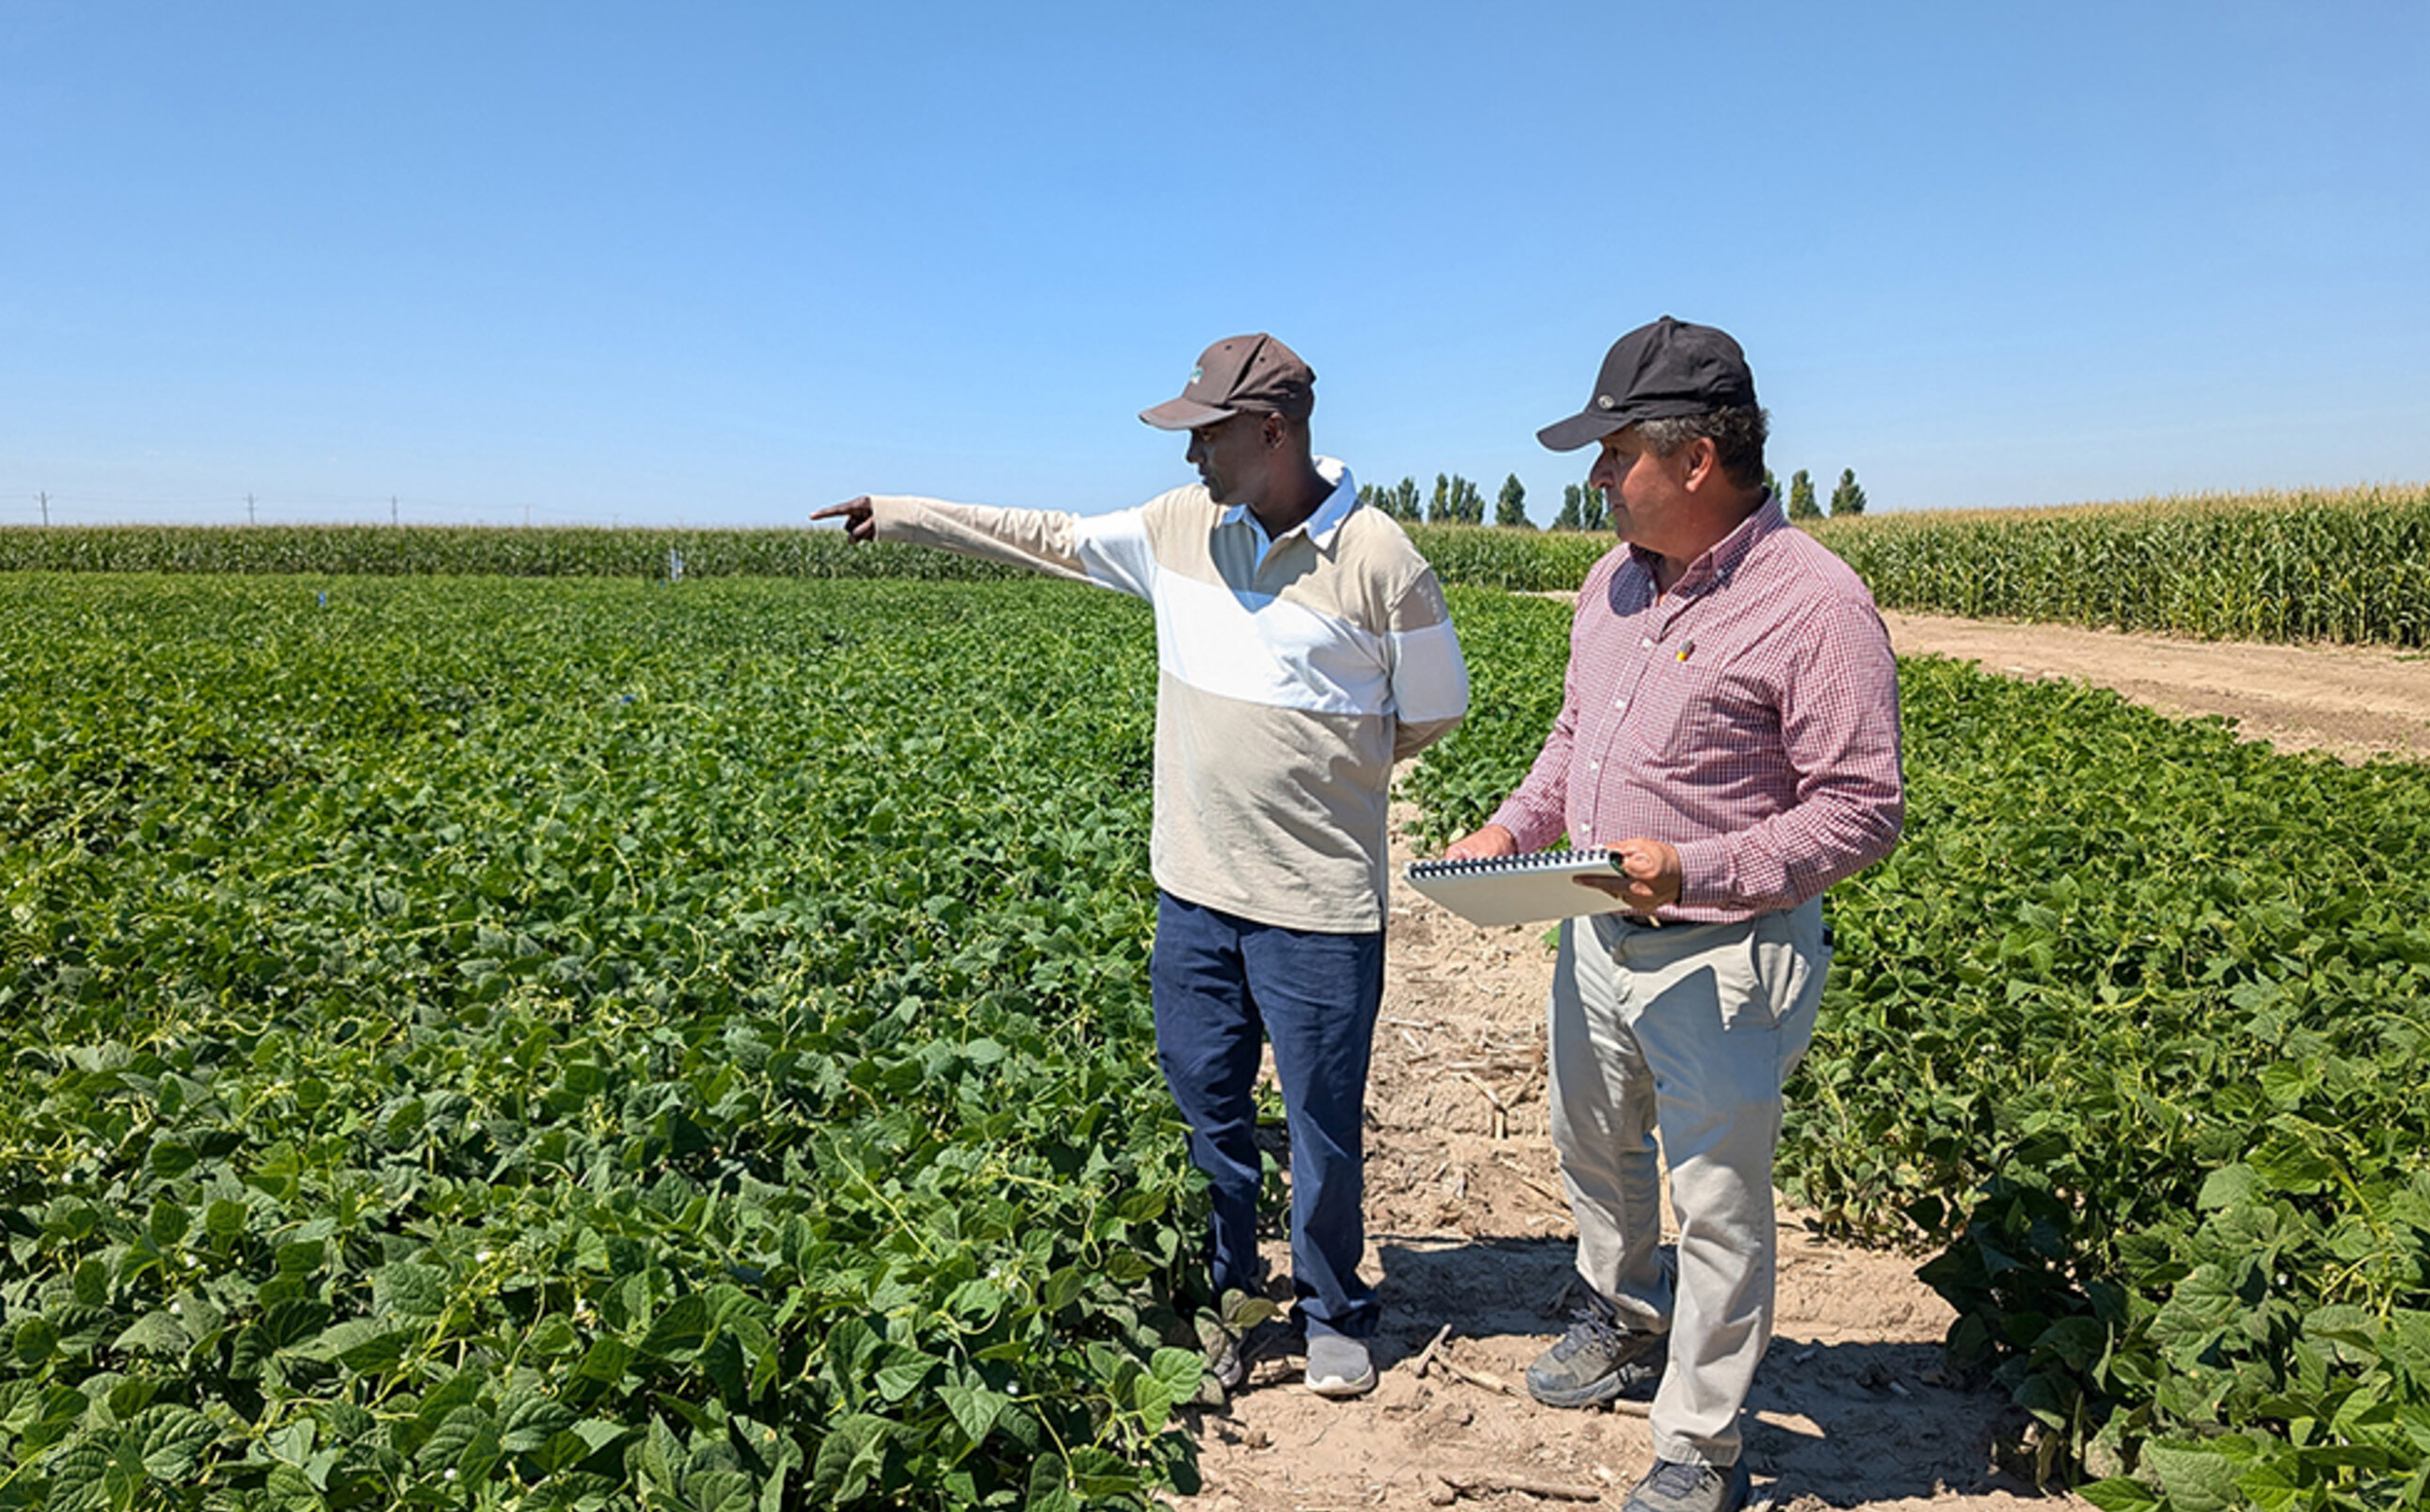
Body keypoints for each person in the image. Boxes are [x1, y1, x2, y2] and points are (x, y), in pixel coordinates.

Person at [813, 333, 1470, 1399]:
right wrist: (906, 513)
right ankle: (1227, 1304)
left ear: (1273, 431)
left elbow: (1436, 710)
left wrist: (1321, 766)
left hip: (1318, 907)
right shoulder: (1176, 531)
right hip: (1195, 899)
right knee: (1208, 1114)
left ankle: (1332, 1309)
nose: (1190, 456)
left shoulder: (1380, 561)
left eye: (1207, 435)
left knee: (1321, 1126)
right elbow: (1051, 538)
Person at [1443, 317, 1903, 1512]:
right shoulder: (1612, 583)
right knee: (1594, 1146)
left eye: (1616, 453)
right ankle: (1624, 1316)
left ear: (1695, 459)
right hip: (1596, 930)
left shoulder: (1815, 605)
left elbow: (1861, 810)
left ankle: (1700, 1440)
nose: (1598, 477)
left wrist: (1693, 871)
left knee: (1717, 1203)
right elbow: (1572, 741)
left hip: (1725, 955)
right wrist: (1509, 832)